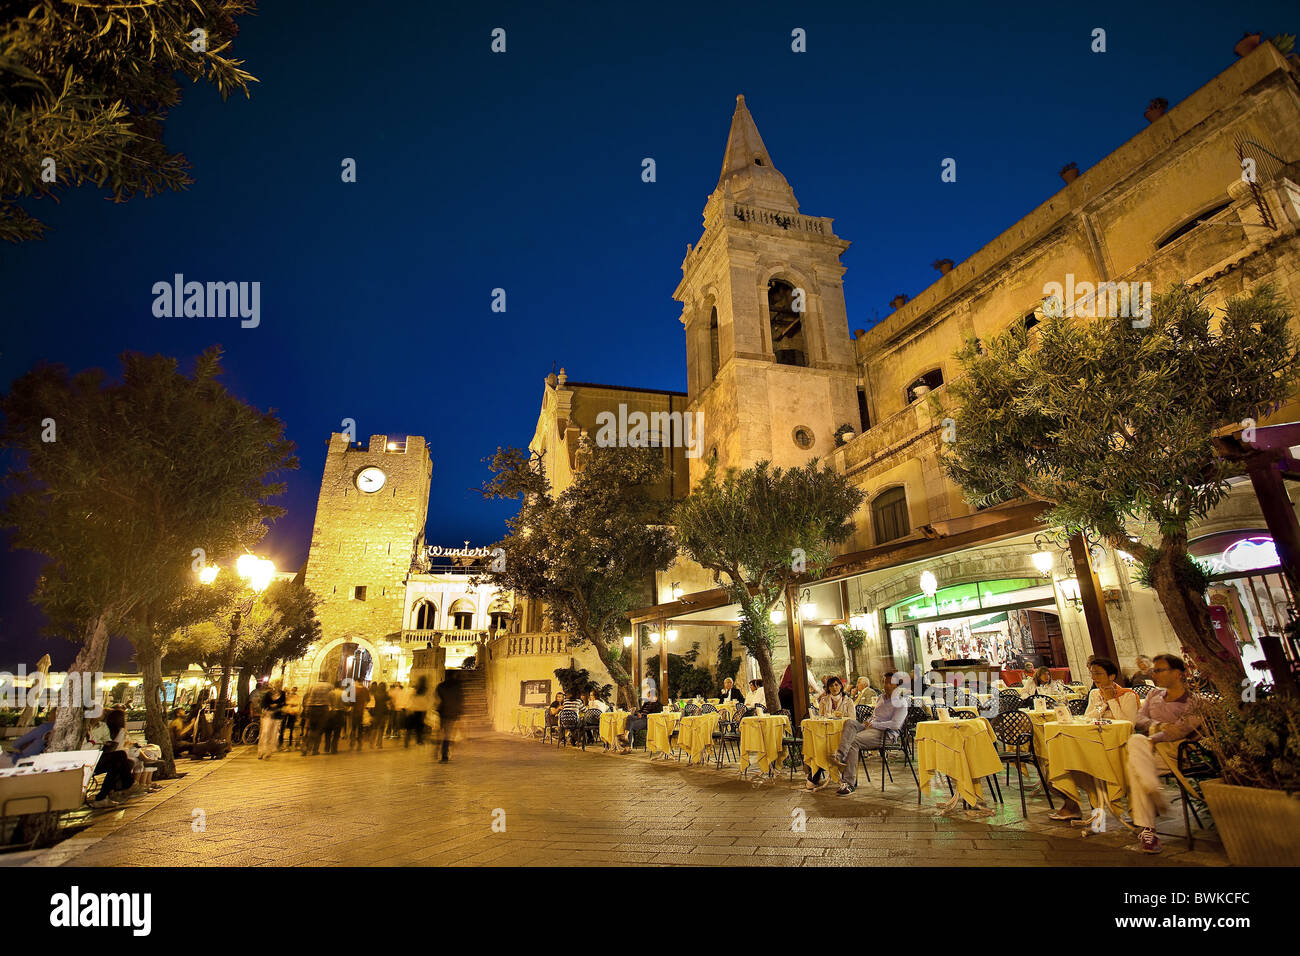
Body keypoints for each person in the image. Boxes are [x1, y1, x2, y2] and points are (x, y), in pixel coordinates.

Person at [1125, 654, 1202, 854]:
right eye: (1154, 670)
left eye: (1159, 670)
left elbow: (1181, 730)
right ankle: (1152, 789)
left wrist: (1155, 736)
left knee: (1135, 769)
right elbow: (1139, 719)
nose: (1154, 674)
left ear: (1178, 673)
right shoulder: (1154, 695)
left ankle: (1148, 828)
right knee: (1135, 741)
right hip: (1150, 747)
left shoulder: (1193, 701)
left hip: (1178, 752)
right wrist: (1158, 727)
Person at [1049, 658, 1140, 821]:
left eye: (1098, 673)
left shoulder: (1128, 696)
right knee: (1063, 760)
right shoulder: (1094, 694)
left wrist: (1111, 699)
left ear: (1111, 676)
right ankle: (1074, 803)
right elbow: (1088, 717)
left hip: (1119, 745)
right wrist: (1102, 703)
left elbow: (1127, 724)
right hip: (1095, 742)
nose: (1094, 678)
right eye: (1092, 674)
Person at [831, 672, 910, 795]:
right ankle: (840, 756)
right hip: (871, 728)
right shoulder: (881, 698)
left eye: (890, 683)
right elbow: (874, 716)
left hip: (886, 734)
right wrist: (868, 723)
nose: (886, 685)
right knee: (850, 723)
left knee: (854, 741)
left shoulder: (902, 703)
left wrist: (874, 725)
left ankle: (849, 783)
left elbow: (895, 724)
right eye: (885, 682)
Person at [88, 709, 136, 807]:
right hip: (88, 758)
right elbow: (88, 744)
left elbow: (107, 741)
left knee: (120, 762)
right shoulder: (84, 728)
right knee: (121, 756)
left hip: (100, 754)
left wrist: (103, 744)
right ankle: (128, 784)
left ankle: (103, 797)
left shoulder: (103, 726)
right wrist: (98, 743)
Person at [434, 673, 464, 762]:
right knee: (448, 735)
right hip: (452, 714)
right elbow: (460, 700)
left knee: (441, 732)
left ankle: (438, 748)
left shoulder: (441, 686)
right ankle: (444, 755)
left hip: (443, 712)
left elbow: (436, 698)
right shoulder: (457, 687)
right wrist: (460, 712)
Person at [301, 679, 332, 756]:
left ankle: (307, 746)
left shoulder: (313, 685)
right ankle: (315, 749)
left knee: (312, 728)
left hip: (312, 708)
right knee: (320, 729)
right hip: (323, 709)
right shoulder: (329, 686)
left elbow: (310, 697)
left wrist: (307, 710)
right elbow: (331, 697)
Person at [257, 680, 285, 760]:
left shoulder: (282, 694)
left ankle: (268, 752)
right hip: (268, 715)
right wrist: (269, 707)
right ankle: (261, 751)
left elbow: (283, 703)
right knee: (265, 733)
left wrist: (278, 706)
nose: (278, 685)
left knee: (274, 734)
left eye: (279, 684)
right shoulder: (268, 694)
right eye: (277, 683)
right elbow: (263, 704)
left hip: (277, 716)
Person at [405, 675, 431, 747]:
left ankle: (407, 741)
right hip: (422, 710)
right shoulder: (426, 690)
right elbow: (428, 701)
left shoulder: (414, 689)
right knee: (419, 726)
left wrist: (409, 708)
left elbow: (410, 699)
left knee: (410, 727)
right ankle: (419, 740)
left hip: (414, 709)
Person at [349, 679, 371, 750]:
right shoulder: (365, 689)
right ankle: (359, 743)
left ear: (356, 682)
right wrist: (364, 705)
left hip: (354, 711)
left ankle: (352, 742)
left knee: (353, 727)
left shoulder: (353, 689)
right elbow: (368, 699)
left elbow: (350, 701)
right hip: (362, 711)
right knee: (360, 728)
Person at [369, 682, 390, 748]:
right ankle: (379, 744)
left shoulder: (375, 694)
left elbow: (372, 705)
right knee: (381, 729)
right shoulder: (386, 695)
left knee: (374, 728)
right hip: (383, 714)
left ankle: (371, 743)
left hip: (376, 713)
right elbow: (388, 704)